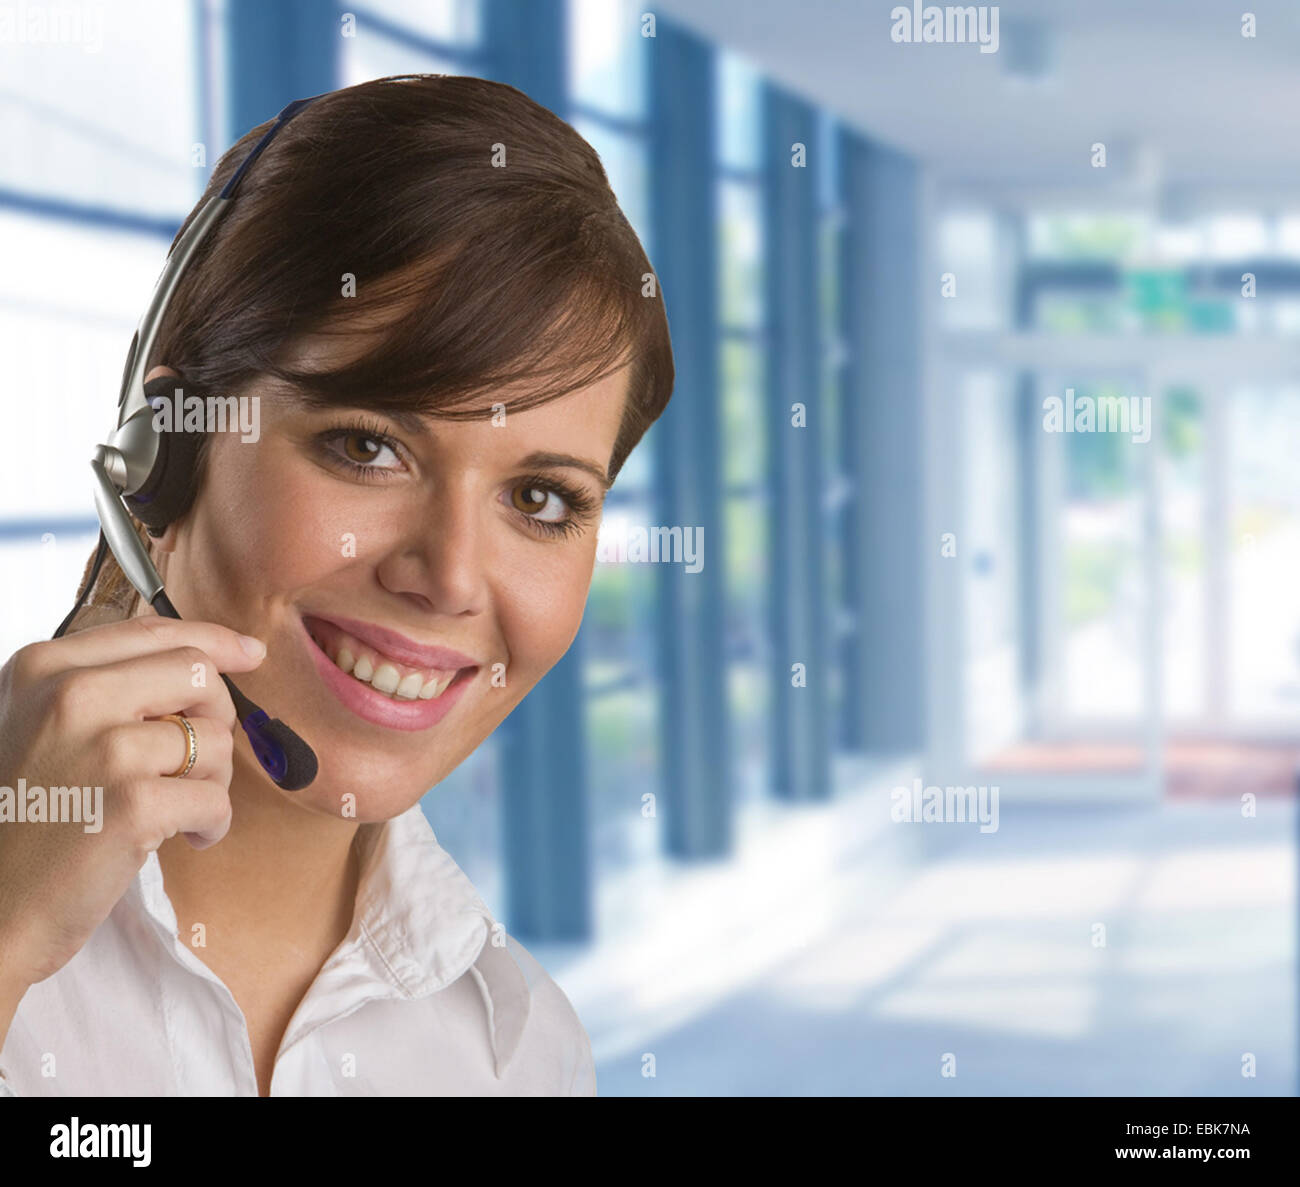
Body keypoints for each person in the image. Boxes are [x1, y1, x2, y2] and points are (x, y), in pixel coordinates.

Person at [0, 73, 674, 1096]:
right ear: (161, 455)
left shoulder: (518, 1047)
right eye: (366, 445)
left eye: (539, 498)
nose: (448, 576)